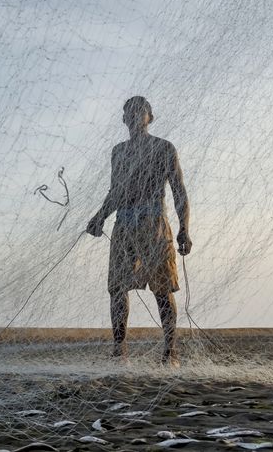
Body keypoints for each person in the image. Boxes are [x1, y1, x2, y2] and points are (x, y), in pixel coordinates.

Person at [86, 96, 191, 366]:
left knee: (163, 288)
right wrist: (99, 218)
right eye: (129, 113)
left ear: (149, 117)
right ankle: (119, 351)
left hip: (154, 223)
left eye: (139, 111)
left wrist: (184, 229)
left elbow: (178, 190)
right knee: (117, 289)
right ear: (124, 119)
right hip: (123, 225)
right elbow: (116, 192)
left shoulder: (164, 147)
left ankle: (171, 351)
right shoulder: (118, 152)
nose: (134, 116)